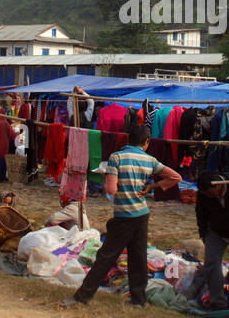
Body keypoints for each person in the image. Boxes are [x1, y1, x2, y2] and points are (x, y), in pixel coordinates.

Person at [63, 125, 180, 308]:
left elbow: (111, 189)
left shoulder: (116, 158)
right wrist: (152, 187)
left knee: (106, 256)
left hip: (123, 215)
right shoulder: (149, 160)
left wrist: (106, 178)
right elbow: (175, 177)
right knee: (138, 257)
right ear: (146, 142)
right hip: (141, 214)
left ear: (128, 139)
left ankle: (82, 297)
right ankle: (138, 300)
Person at [187, 172, 229, 308]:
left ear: (217, 186)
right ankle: (217, 301)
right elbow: (201, 213)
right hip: (217, 231)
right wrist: (204, 234)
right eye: (205, 194)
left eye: (210, 193)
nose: (208, 196)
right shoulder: (203, 194)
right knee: (212, 263)